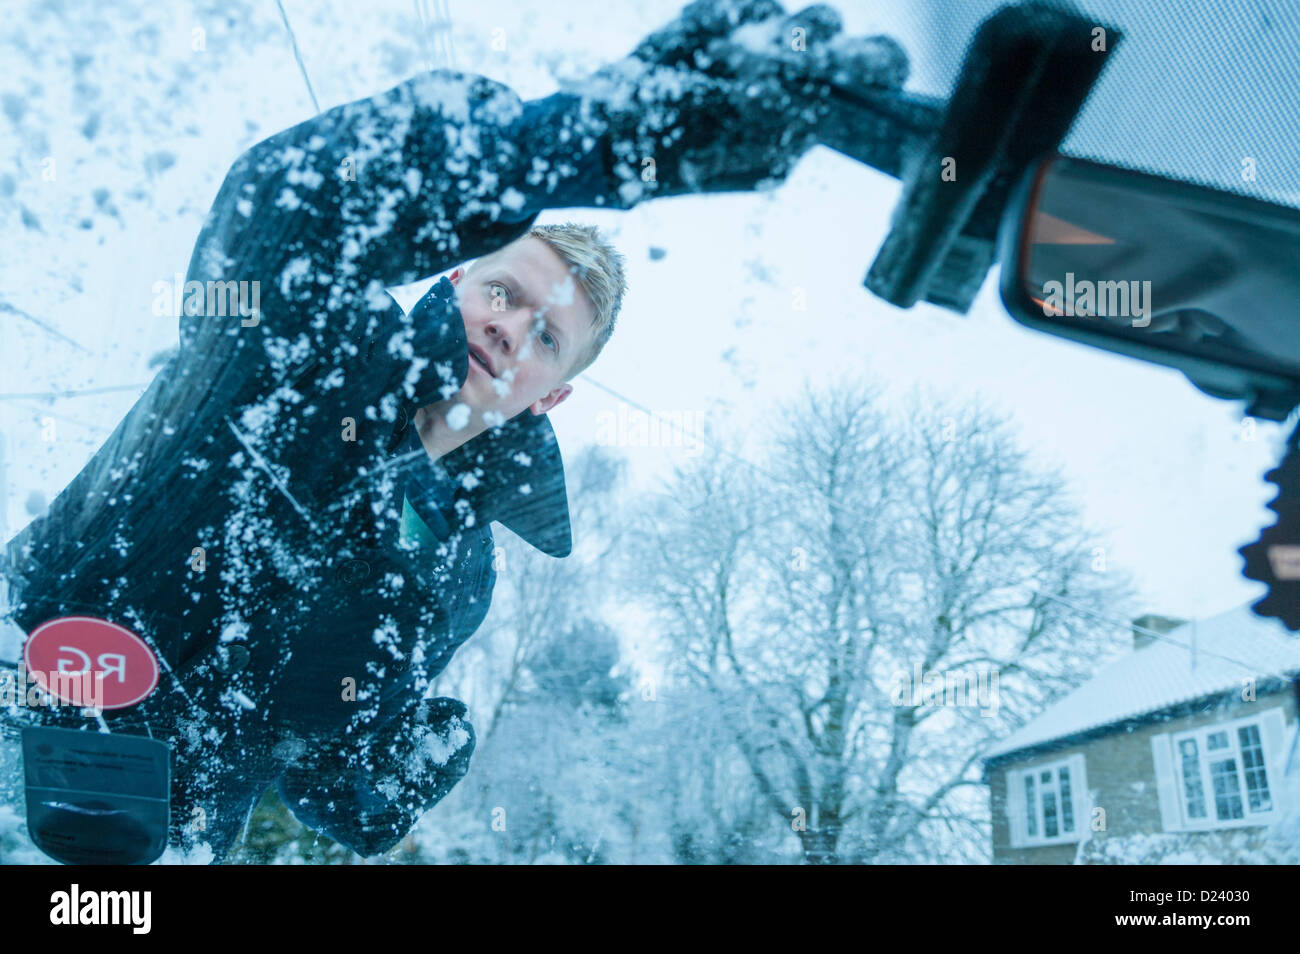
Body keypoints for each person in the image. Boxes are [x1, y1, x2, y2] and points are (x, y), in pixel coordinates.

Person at [2, 0, 908, 861]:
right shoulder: (293, 348)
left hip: (166, 850)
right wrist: (586, 139)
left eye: (548, 335)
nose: (513, 327)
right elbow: (275, 198)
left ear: (550, 395)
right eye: (504, 292)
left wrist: (396, 776)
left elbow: (325, 777)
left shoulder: (458, 569)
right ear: (451, 286)